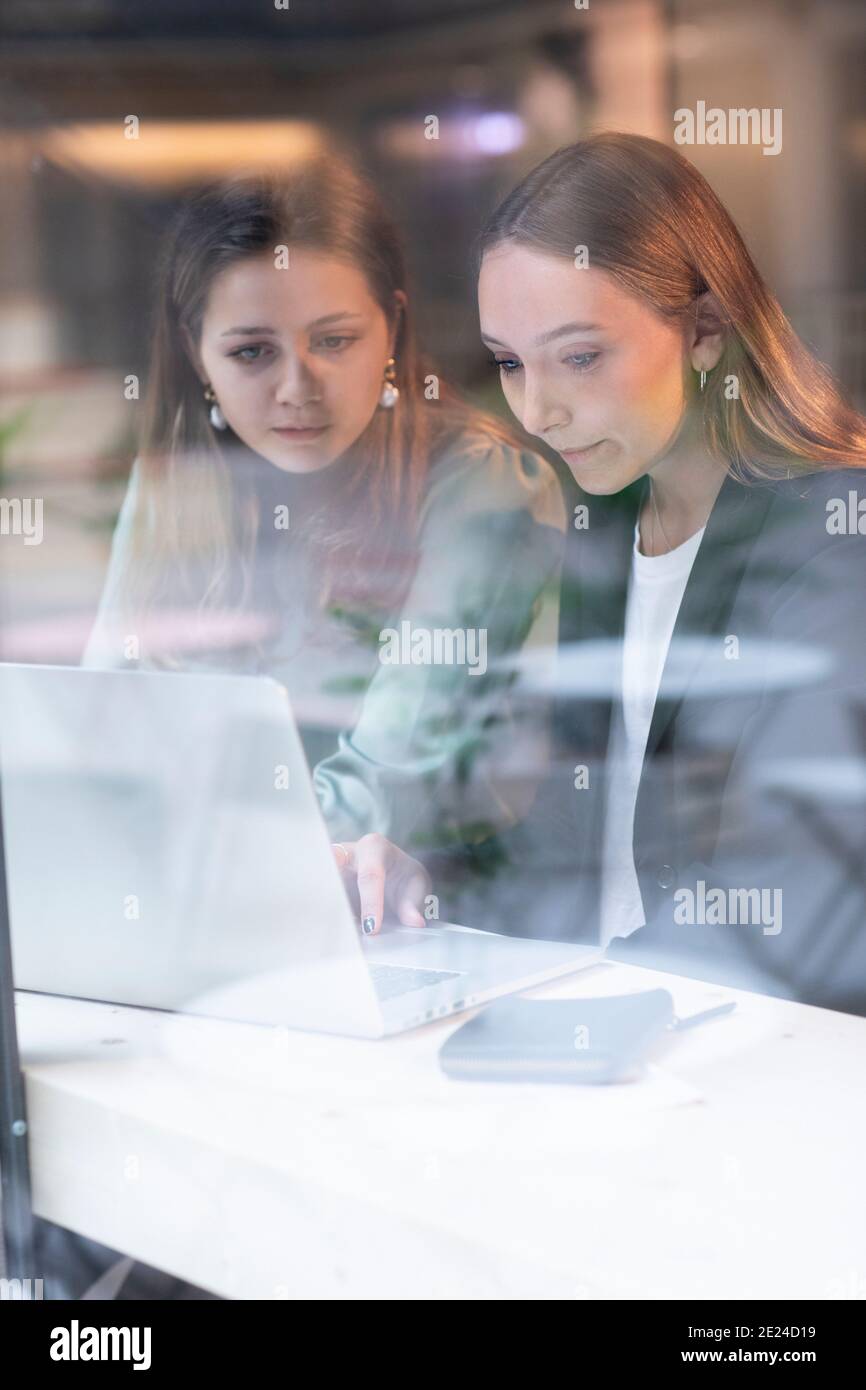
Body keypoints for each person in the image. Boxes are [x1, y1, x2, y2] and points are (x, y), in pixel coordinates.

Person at [350, 132, 866, 1016]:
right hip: (634, 1033)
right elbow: (581, 834)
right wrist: (426, 881)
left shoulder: (833, 538)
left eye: (580, 356)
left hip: (773, 1067)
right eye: (510, 363)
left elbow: (788, 891)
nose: (538, 409)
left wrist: (565, 1013)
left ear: (704, 328)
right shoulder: (607, 519)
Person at [84, 152, 566, 934]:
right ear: (194, 353)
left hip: (426, 924)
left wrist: (163, 861)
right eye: (251, 352)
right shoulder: (178, 487)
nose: (297, 388)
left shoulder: (483, 486)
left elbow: (390, 778)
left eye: (333, 341)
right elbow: (99, 732)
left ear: (393, 329)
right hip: (196, 912)